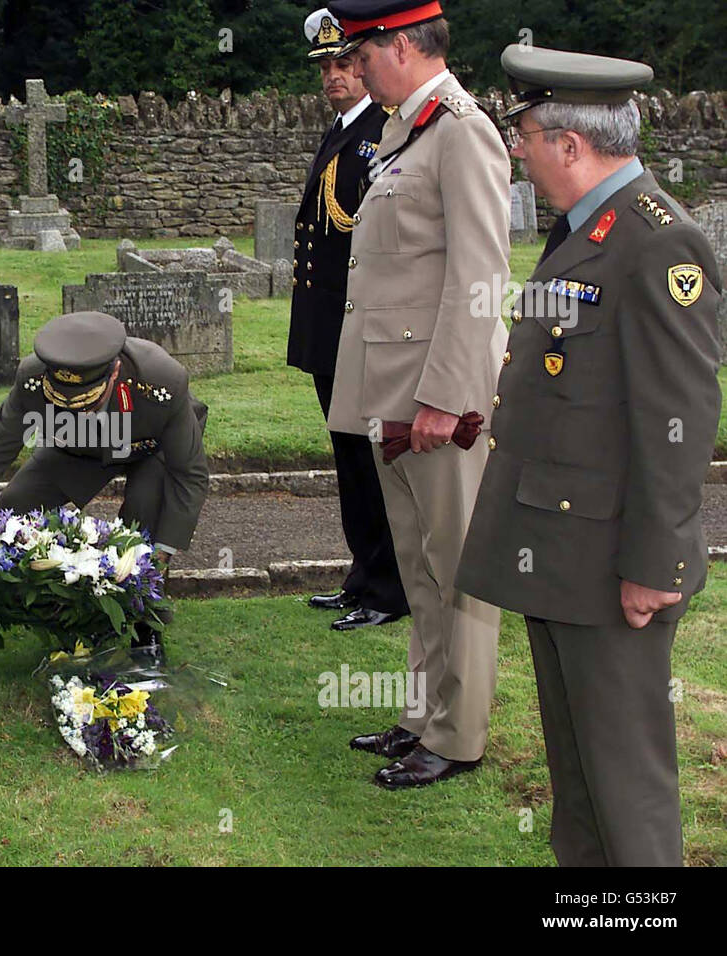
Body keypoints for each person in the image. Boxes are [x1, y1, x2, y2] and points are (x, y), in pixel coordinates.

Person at [457, 47, 722, 866]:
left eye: (527, 136)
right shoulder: (591, 231)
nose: (518, 155)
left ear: (571, 145)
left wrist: (656, 565)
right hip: (563, 555)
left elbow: (676, 423)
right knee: (577, 777)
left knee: (625, 784)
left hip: (612, 564)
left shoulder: (656, 246)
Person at [325, 0, 510, 788]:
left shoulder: (462, 129)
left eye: (365, 51)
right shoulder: (407, 128)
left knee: (459, 568)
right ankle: (423, 715)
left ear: (404, 44)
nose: (355, 66)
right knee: (419, 564)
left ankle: (460, 736)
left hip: (436, 400)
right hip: (391, 395)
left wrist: (447, 396)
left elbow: (479, 277)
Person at [0, 310, 210, 657]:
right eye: (65, 403)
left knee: (142, 522)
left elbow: (188, 474)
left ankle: (147, 623)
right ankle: (51, 610)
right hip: (77, 448)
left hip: (151, 447)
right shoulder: (31, 378)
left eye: (87, 402)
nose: (77, 412)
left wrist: (163, 552)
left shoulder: (162, 381)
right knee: (14, 506)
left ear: (114, 372)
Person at [287, 8, 407, 631]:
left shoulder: (378, 136)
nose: (335, 76)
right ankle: (363, 575)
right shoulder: (341, 131)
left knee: (372, 462)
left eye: (345, 64)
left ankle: (388, 588)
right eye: (327, 67)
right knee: (349, 459)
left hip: (358, 328)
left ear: (365, 67)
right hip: (329, 328)